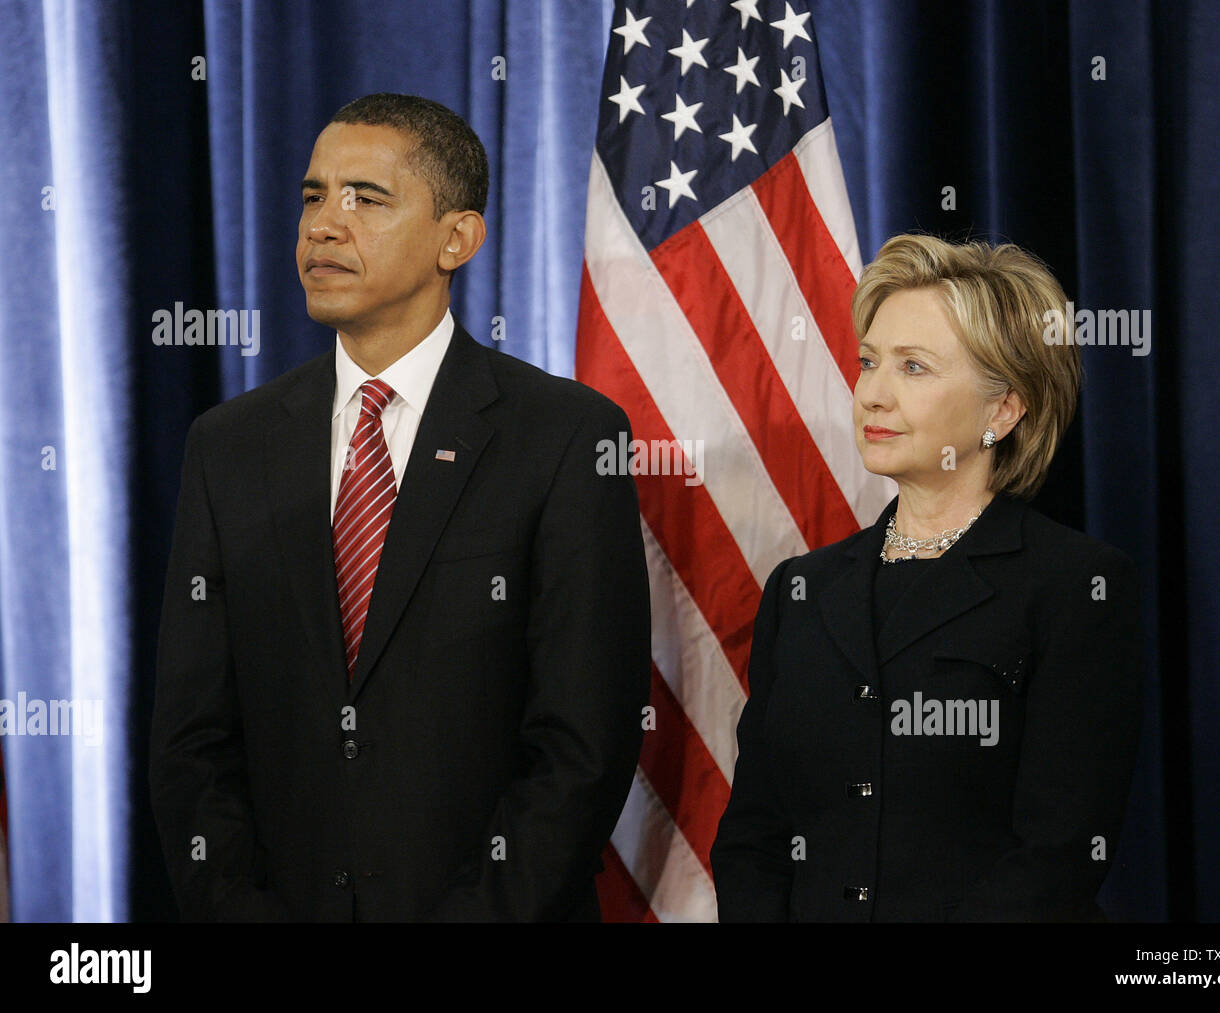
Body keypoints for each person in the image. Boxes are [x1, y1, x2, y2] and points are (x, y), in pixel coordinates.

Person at [150, 93, 650, 921]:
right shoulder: (228, 445)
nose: (322, 225)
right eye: (313, 196)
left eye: (365, 199)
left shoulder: (564, 438)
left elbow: (582, 744)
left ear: (457, 237)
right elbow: (190, 741)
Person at [711, 234, 1143, 921]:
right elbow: (753, 836)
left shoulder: (1074, 586)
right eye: (869, 361)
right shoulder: (801, 590)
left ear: (1004, 409)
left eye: (914, 367)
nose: (873, 394)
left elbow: (1060, 852)